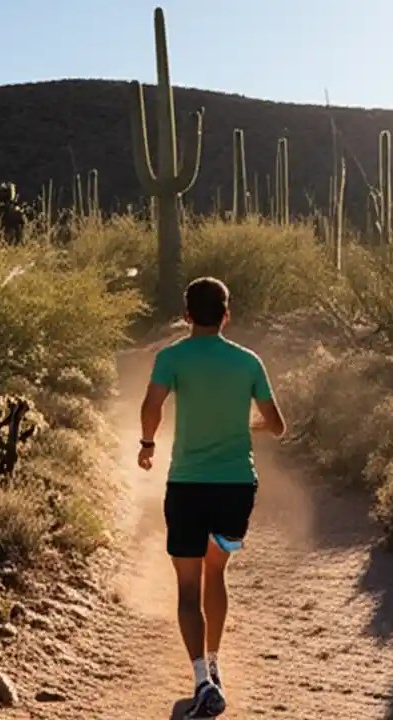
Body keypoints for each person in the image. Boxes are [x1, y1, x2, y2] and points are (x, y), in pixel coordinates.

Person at [137, 276, 286, 719]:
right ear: (227, 314)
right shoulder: (249, 362)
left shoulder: (171, 357)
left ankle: (201, 677)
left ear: (186, 316)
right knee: (216, 574)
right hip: (236, 486)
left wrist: (147, 444)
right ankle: (216, 664)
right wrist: (242, 427)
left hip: (186, 485)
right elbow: (277, 425)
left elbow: (151, 405)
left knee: (187, 585)